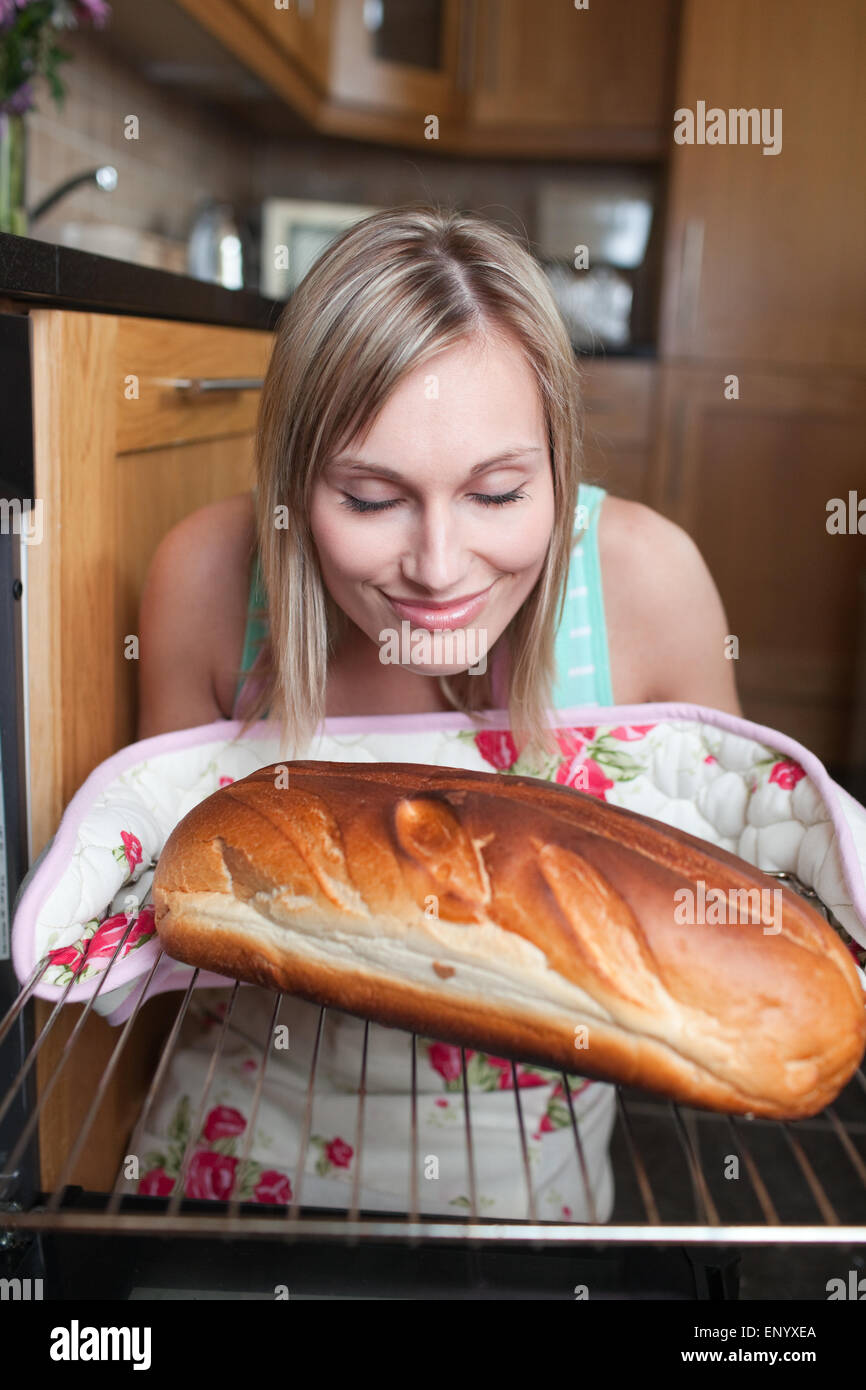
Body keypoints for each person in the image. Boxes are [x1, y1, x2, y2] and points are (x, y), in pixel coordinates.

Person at [131, 205, 742, 1221]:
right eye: (370, 499)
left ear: (559, 463)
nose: (438, 566)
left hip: (525, 1192)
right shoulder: (202, 575)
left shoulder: (645, 580)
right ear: (290, 482)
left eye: (497, 492)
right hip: (231, 1165)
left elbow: (714, 909)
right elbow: (166, 918)